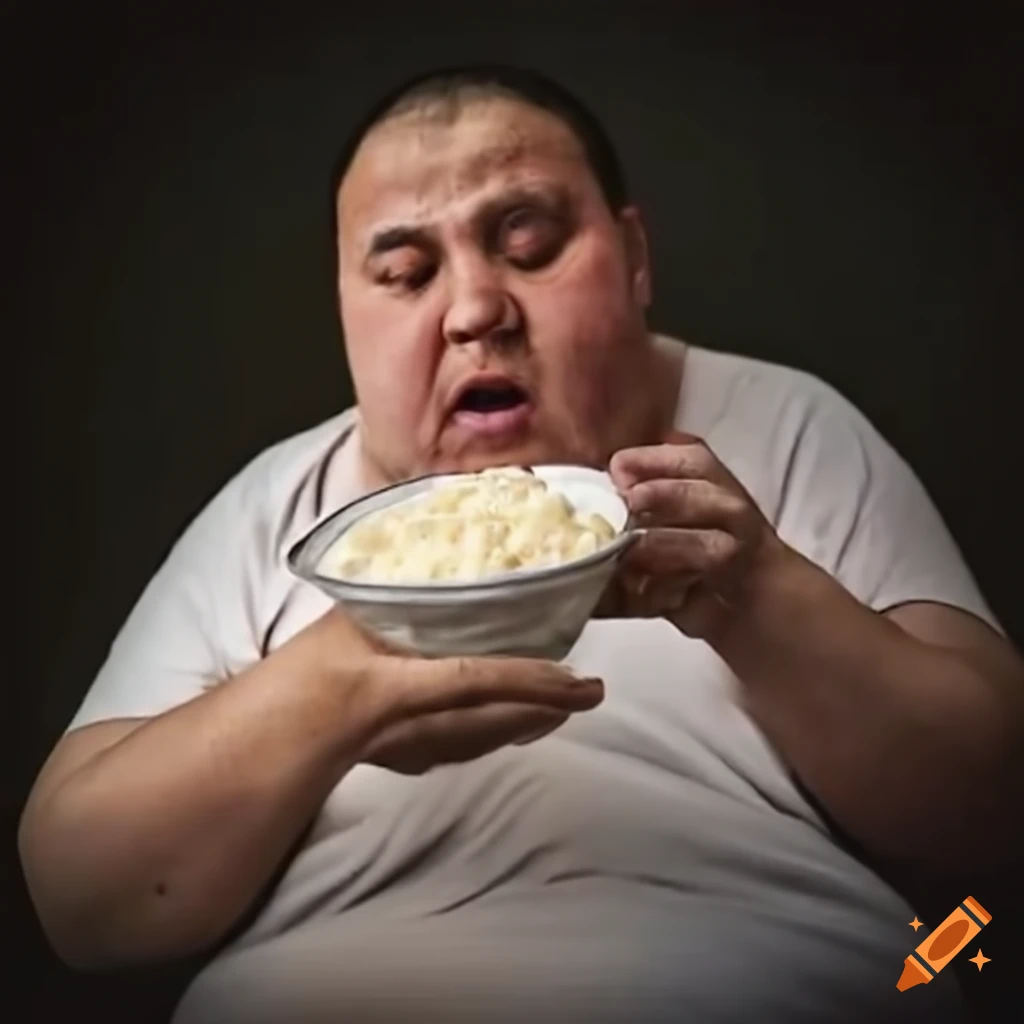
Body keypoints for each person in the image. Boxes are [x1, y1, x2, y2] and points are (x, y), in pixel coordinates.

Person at [19, 64, 1023, 1024]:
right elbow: (79, 896)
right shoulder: (280, 505)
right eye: (405, 273)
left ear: (633, 259)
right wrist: (336, 684)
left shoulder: (788, 428)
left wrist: (756, 593)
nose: (472, 311)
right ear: (343, 304)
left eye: (530, 243)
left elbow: (990, 807)